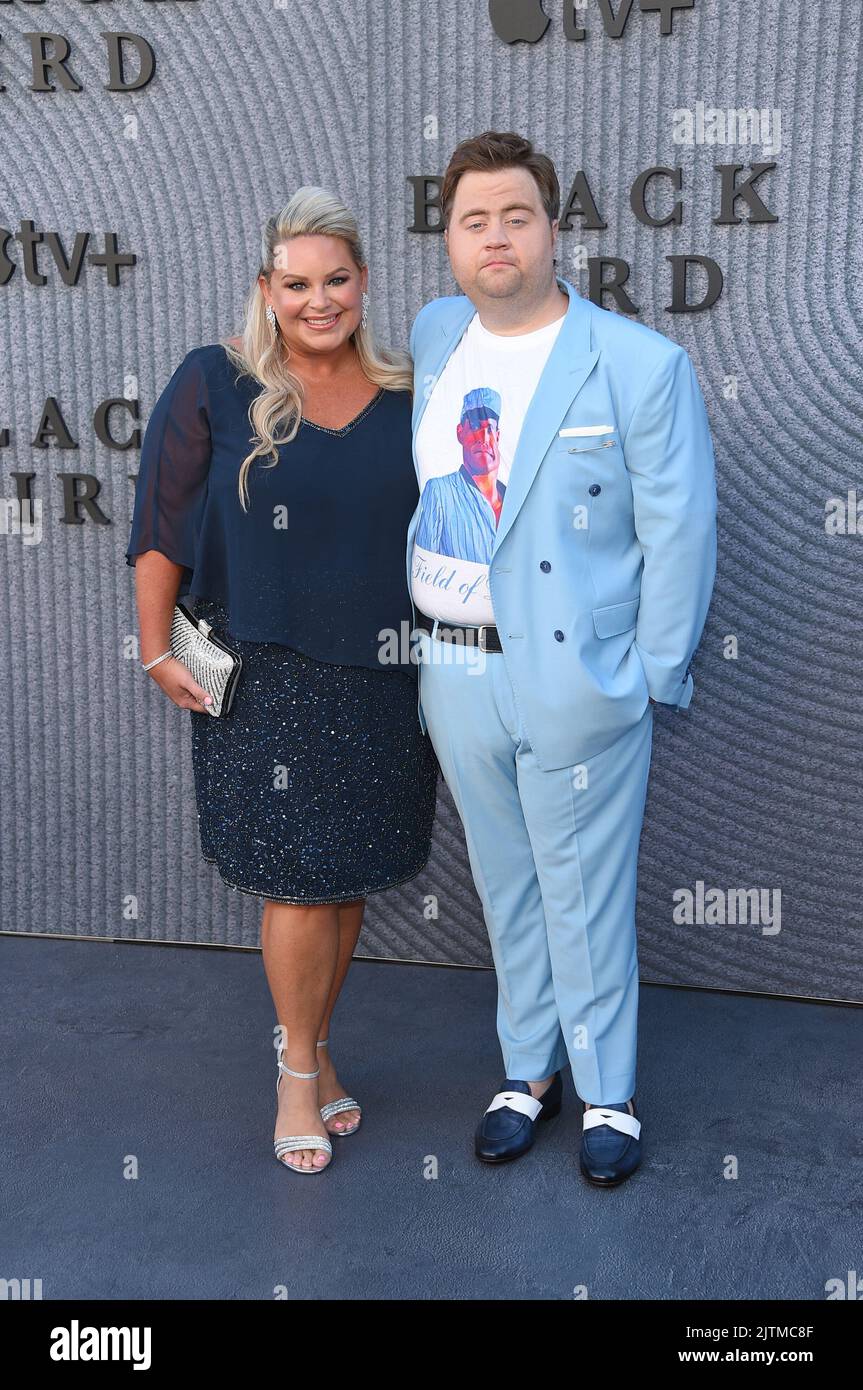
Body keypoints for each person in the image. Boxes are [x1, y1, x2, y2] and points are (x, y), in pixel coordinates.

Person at [407, 131, 717, 1186]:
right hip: (453, 673)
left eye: (515, 215)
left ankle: (608, 1091)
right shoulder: (437, 334)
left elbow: (680, 530)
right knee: (506, 885)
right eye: (471, 220)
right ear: (448, 242)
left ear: (553, 228)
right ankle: (524, 1070)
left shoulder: (636, 364)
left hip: (573, 678)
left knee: (580, 889)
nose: (494, 237)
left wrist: (643, 676)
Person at [126, 187, 439, 1176]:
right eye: (295, 283)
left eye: (335, 279)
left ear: (362, 282)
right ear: (266, 289)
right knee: (300, 886)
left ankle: (313, 1042)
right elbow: (159, 524)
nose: (317, 300)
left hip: (387, 678)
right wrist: (153, 646)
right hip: (267, 679)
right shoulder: (213, 382)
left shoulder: (410, 389)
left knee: (344, 886)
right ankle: (296, 1069)